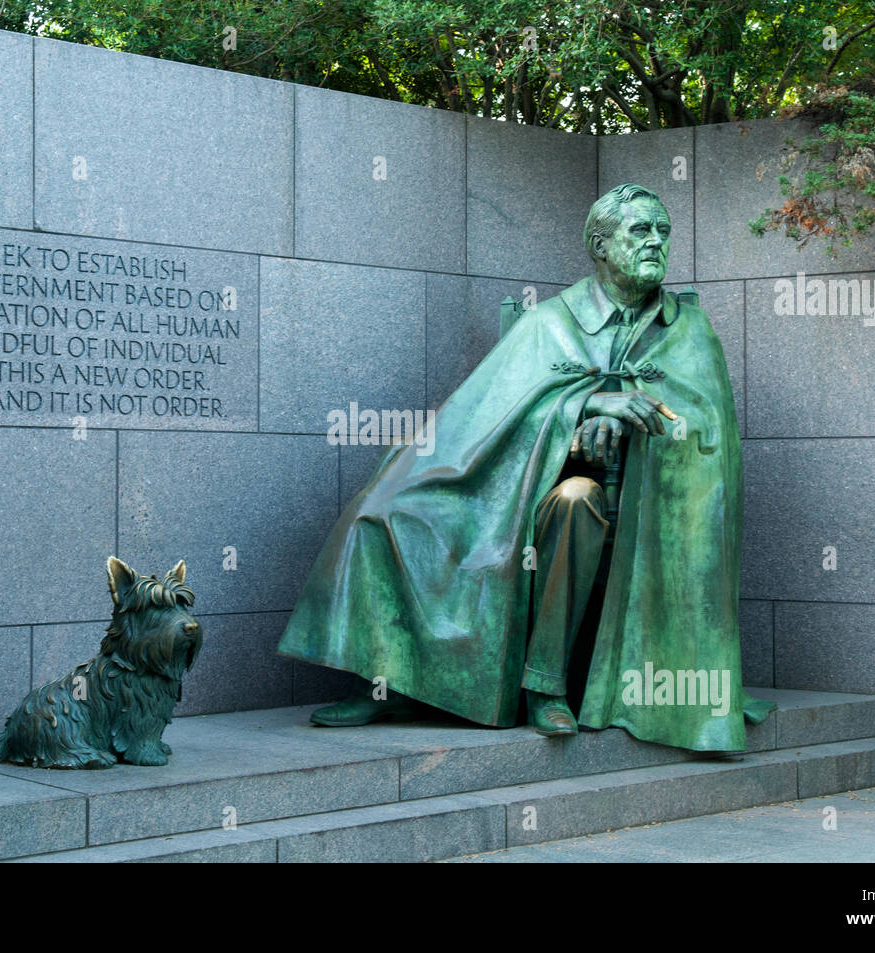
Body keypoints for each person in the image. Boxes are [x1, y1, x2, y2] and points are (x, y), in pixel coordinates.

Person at [277, 184, 775, 750]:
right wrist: (583, 405)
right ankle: (391, 679)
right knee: (383, 510)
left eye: (663, 230)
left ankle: (546, 686)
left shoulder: (686, 329)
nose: (656, 242)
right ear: (600, 244)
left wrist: (628, 426)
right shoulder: (548, 323)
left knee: (575, 501)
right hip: (509, 480)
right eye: (641, 230)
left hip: (623, 493)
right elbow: (484, 416)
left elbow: (704, 428)